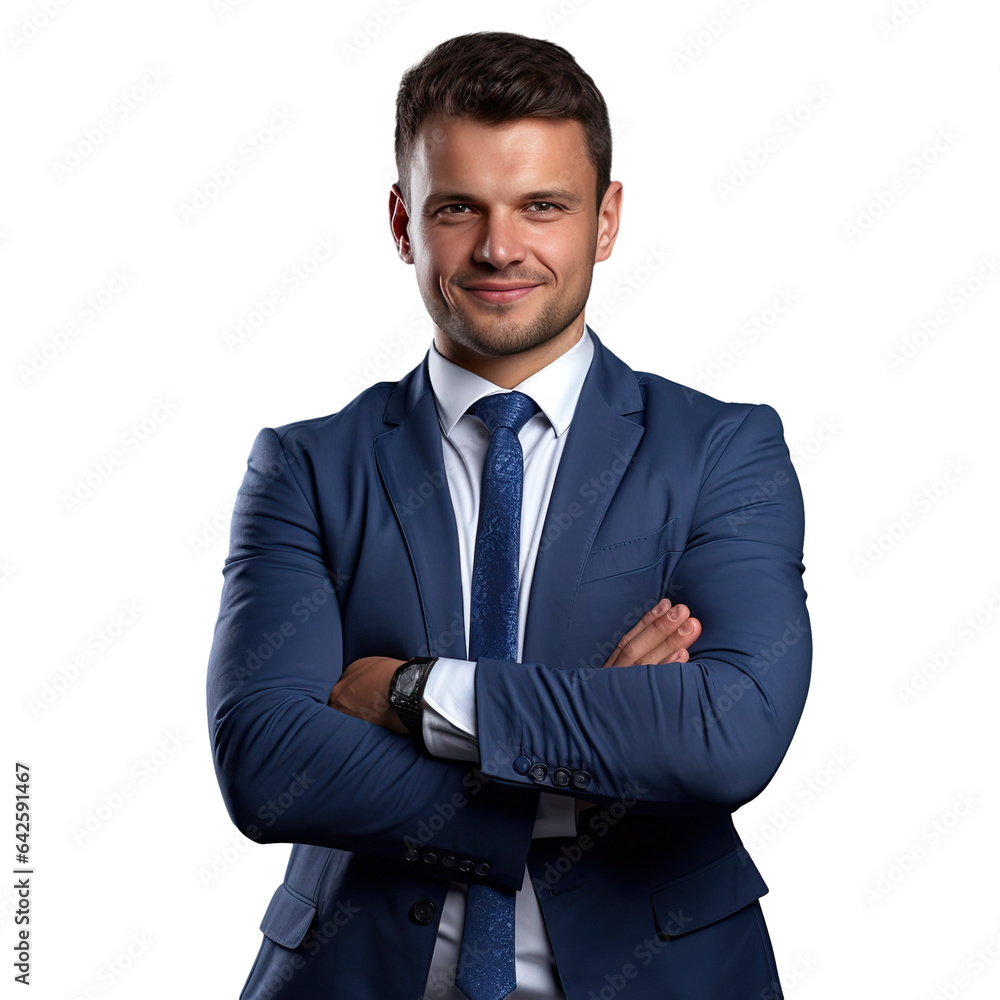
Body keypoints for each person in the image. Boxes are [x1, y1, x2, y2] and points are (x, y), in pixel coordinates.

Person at [206, 30, 811, 1000]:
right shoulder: (308, 464)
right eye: (458, 208)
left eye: (542, 206)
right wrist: (592, 740)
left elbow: (724, 734)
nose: (498, 248)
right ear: (403, 221)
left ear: (605, 220)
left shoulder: (719, 449)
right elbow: (266, 762)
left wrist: (414, 695)